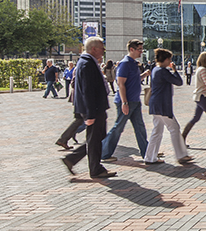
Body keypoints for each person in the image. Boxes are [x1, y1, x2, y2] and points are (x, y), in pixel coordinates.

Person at [61, 37, 116, 179]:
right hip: (94, 109)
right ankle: (94, 168)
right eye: (101, 48)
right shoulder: (87, 64)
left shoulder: (87, 63)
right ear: (93, 49)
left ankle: (74, 160)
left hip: (95, 109)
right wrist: (90, 114)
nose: (103, 51)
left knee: (97, 138)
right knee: (95, 138)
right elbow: (87, 91)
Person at [100, 39, 150, 162]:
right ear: (131, 49)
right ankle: (103, 153)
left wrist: (144, 75)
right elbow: (121, 83)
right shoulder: (125, 63)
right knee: (118, 128)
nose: (141, 52)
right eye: (139, 49)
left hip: (135, 100)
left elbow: (133, 80)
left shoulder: (133, 63)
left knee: (140, 128)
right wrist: (124, 102)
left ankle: (148, 153)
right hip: (127, 101)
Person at [144, 48, 191, 165]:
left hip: (155, 105)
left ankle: (150, 157)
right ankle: (181, 155)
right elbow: (178, 82)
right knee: (174, 128)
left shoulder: (155, 69)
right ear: (165, 60)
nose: (170, 61)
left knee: (157, 131)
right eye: (169, 59)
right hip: (162, 106)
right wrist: (174, 70)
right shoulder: (163, 71)